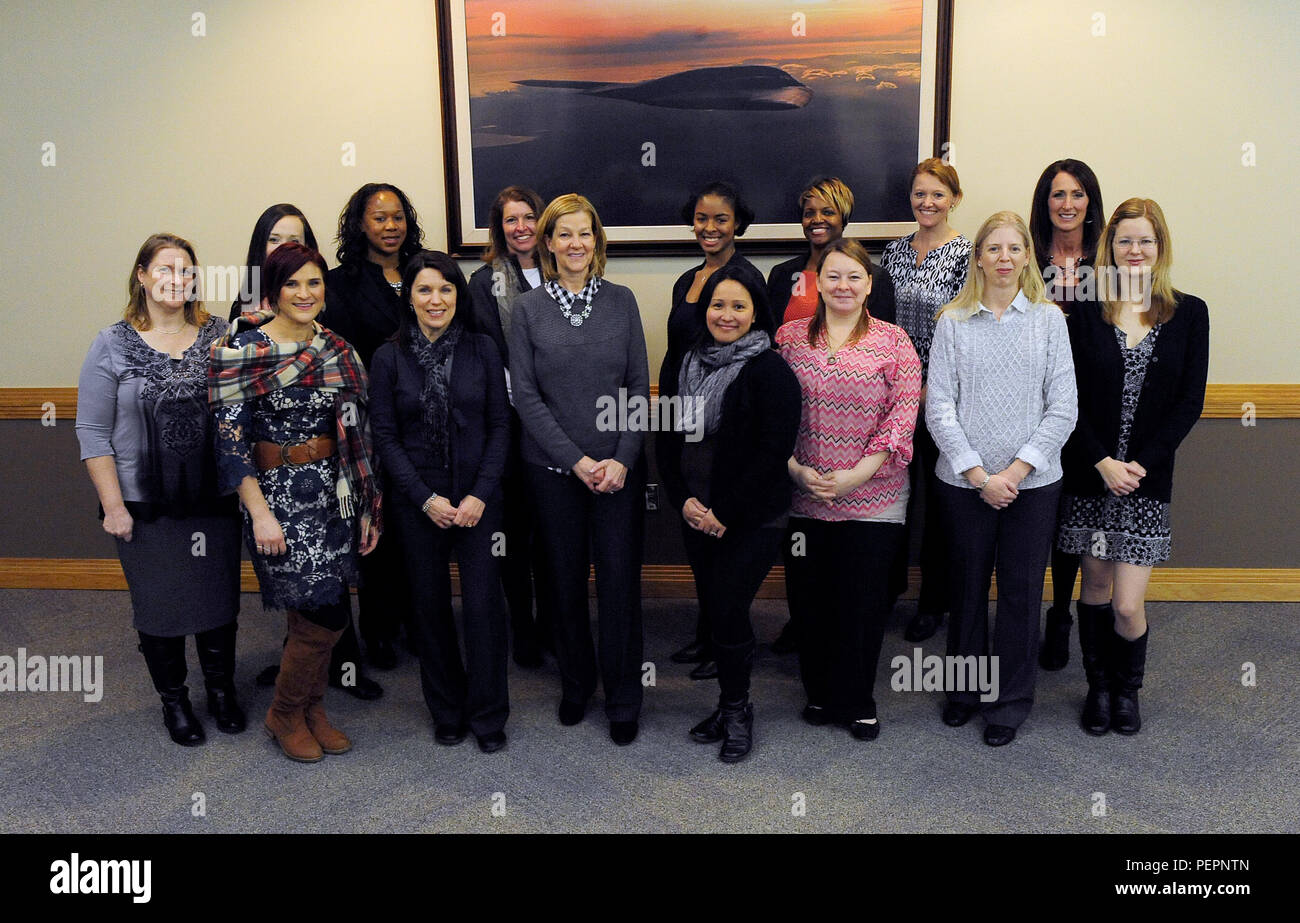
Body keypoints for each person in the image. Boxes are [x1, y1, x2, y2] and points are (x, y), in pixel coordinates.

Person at [210, 242, 382, 762]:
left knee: (324, 607)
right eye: (292, 284)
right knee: (323, 614)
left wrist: (368, 504)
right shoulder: (242, 352)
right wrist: (258, 513)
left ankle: (312, 708)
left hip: (335, 496)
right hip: (276, 499)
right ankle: (285, 712)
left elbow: (359, 430)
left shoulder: (337, 349)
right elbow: (229, 444)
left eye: (314, 282)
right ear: (273, 292)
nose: (305, 294)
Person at [77, 234, 243, 746]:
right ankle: (175, 701)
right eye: (165, 269)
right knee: (159, 607)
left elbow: (239, 417)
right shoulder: (110, 343)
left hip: (213, 501)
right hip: (142, 508)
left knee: (218, 601)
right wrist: (112, 508)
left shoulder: (221, 335)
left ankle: (221, 691)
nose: (176, 279)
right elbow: (91, 432)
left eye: (187, 270)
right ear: (142, 276)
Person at [1056, 198, 1208, 736]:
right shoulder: (1087, 314)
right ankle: (1098, 689)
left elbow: (1189, 402)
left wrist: (1137, 465)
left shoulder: (1190, 313)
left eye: (1145, 240)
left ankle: (1128, 690)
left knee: (1126, 604)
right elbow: (1066, 397)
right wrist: (1102, 462)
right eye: (1125, 241)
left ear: (1160, 246)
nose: (1135, 250)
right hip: (1091, 479)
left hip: (1145, 484)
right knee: (1093, 591)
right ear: (1111, 248)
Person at [926, 212, 1077, 747]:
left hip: (1032, 486)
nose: (1005, 258)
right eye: (994, 248)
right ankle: (964, 691)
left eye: (1015, 248)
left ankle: (1009, 702)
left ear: (1026, 258)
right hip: (963, 483)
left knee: (1019, 592)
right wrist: (976, 473)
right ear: (979, 257)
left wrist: (1013, 472)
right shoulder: (953, 321)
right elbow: (939, 407)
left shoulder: (1048, 320)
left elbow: (1063, 409)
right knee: (966, 591)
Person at [509, 193, 650, 746]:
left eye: (584, 233)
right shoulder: (528, 309)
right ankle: (575, 685)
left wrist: (619, 459)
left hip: (619, 469)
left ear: (597, 241)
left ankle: (623, 698)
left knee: (618, 585)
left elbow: (639, 386)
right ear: (547, 244)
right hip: (551, 471)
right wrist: (577, 460)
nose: (575, 244)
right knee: (563, 584)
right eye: (563, 234)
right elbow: (525, 394)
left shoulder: (622, 301)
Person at [777, 238, 921, 741]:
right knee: (811, 603)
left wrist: (858, 475)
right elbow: (774, 416)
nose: (843, 285)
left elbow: (902, 417)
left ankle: (857, 699)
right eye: (833, 276)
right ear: (818, 282)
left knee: (861, 606)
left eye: (854, 277)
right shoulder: (790, 338)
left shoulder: (894, 341)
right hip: (804, 495)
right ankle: (819, 692)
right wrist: (795, 469)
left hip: (874, 499)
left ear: (869, 285)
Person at [657, 265, 800, 761]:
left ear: (756, 311)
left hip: (752, 516)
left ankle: (738, 710)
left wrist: (725, 512)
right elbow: (668, 439)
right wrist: (683, 501)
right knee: (716, 612)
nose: (727, 315)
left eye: (739, 306)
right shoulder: (682, 362)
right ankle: (727, 703)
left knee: (729, 609)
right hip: (696, 512)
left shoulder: (772, 370)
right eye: (718, 305)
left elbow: (771, 454)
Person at [371, 251, 511, 753]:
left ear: (459, 294)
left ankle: (489, 714)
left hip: (480, 499)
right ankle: (447, 712)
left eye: (446, 289)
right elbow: (385, 437)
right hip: (418, 501)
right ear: (409, 296)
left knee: (482, 610)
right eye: (425, 290)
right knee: (428, 609)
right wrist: (425, 498)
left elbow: (500, 427)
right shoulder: (388, 357)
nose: (436, 299)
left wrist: (478, 495)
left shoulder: (483, 349)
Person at [765, 176, 896, 654]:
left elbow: (884, 350)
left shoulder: (871, 276)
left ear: (844, 216)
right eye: (809, 212)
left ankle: (845, 640)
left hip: (857, 425)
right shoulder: (783, 275)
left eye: (827, 212)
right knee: (802, 551)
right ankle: (804, 626)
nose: (816, 220)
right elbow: (768, 349)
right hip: (796, 427)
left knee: (852, 566)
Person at [319, 182, 426, 685]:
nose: (390, 226)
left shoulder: (427, 271)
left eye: (398, 216)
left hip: (428, 423)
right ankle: (379, 628)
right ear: (359, 224)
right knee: (377, 527)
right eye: (379, 217)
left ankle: (419, 622)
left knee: (417, 523)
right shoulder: (339, 285)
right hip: (367, 422)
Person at [662, 181, 769, 680]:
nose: (709, 227)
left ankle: (722, 641)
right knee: (700, 547)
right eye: (701, 218)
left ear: (738, 224)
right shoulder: (688, 277)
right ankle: (708, 636)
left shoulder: (745, 277)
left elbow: (758, 350)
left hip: (727, 427)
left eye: (720, 219)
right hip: (685, 416)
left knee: (726, 554)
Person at [879, 158, 972, 644]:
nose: (927, 202)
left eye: (937, 194)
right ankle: (886, 590)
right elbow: (879, 324)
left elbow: (966, 331)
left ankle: (934, 600)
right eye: (919, 194)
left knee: (938, 502)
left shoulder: (967, 255)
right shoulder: (893, 254)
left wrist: (929, 386)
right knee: (892, 495)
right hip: (890, 395)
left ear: (954, 198)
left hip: (942, 399)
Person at [467, 185, 555, 668]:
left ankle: (554, 626)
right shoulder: (484, 282)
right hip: (511, 424)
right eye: (509, 220)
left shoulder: (566, 269)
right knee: (515, 535)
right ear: (499, 229)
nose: (520, 227)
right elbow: (487, 355)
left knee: (555, 533)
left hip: (565, 425)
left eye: (528, 217)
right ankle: (523, 628)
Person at [1029, 159, 1107, 671]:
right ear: (1045, 203)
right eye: (1057, 195)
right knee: (1044, 515)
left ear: (1090, 202)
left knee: (1078, 516)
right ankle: (1046, 615)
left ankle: (1065, 611)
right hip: (1034, 405)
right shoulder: (1028, 260)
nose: (1067, 205)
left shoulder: (1109, 261)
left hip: (1092, 409)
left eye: (1077, 195)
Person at [229, 204, 320, 321]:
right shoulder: (246, 300)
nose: (283, 247)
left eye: (294, 241)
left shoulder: (320, 298)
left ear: (307, 246)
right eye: (274, 240)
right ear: (260, 245)